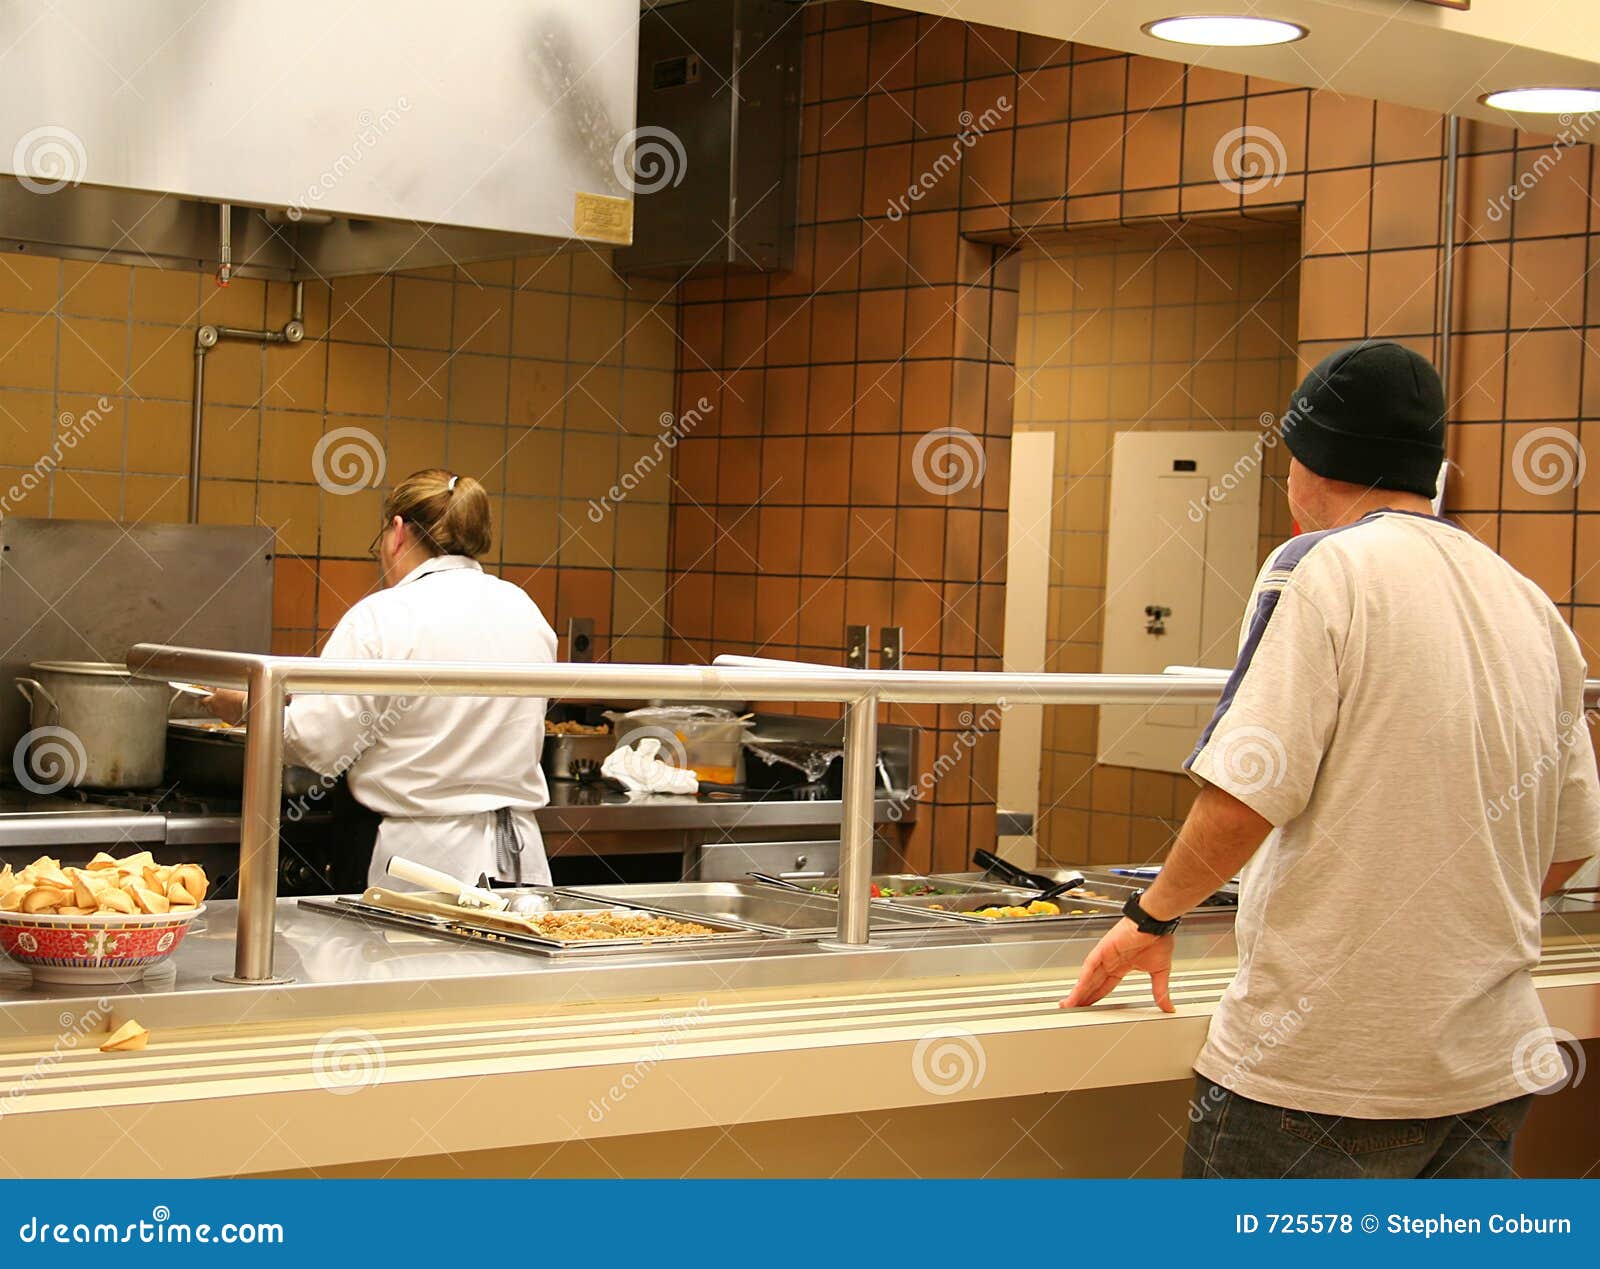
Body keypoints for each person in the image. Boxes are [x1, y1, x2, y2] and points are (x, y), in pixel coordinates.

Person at [1062, 340, 1600, 1178]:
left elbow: (1248, 793)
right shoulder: (1528, 602)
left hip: (1321, 1073)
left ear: (1312, 465)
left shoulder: (1318, 567)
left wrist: (1151, 917)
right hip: (1489, 1068)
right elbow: (1566, 845)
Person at [205, 469, 558, 889]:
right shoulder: (524, 611)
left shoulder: (383, 615)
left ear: (397, 531)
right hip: (518, 862)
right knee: (502, 957)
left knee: (401, 958)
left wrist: (247, 707)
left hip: (418, 865)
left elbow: (317, 740)